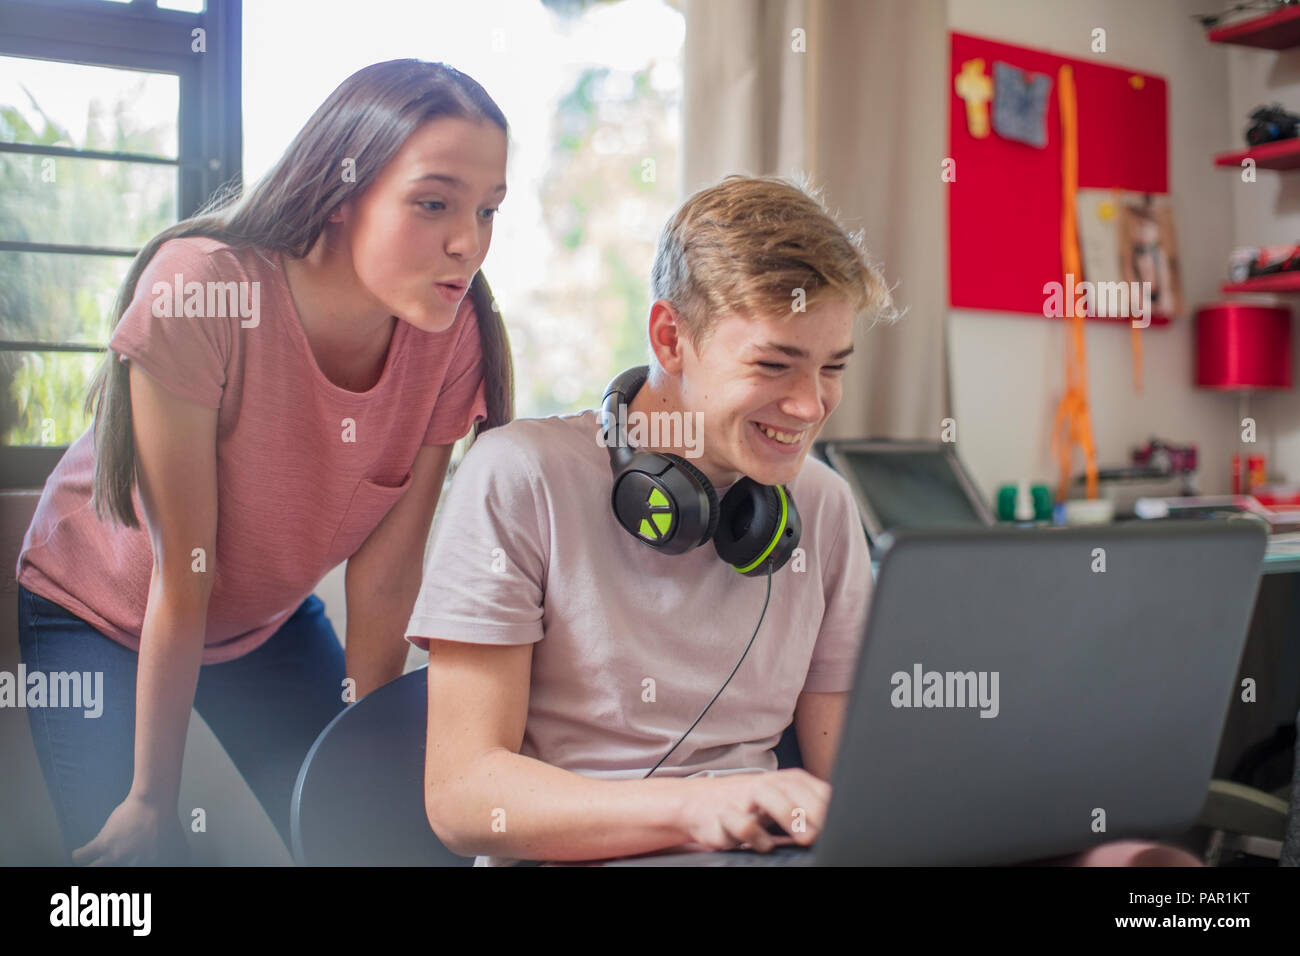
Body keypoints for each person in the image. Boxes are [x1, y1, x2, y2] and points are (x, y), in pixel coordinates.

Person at [407, 174, 1203, 867]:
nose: (808, 405)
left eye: (832, 369)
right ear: (669, 337)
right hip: (589, 857)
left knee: (1139, 867)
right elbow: (464, 795)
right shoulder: (522, 475)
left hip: (764, 853)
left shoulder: (818, 504)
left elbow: (846, 769)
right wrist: (690, 809)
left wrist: (1020, 794)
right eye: (775, 364)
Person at [15, 59, 513, 865]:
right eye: (434, 203)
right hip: (107, 611)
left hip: (262, 624)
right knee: (135, 880)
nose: (469, 242)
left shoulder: (449, 333)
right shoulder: (201, 293)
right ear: (343, 191)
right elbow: (186, 566)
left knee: (380, 842)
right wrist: (150, 798)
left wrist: (375, 779)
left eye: (489, 210)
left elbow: (385, 582)